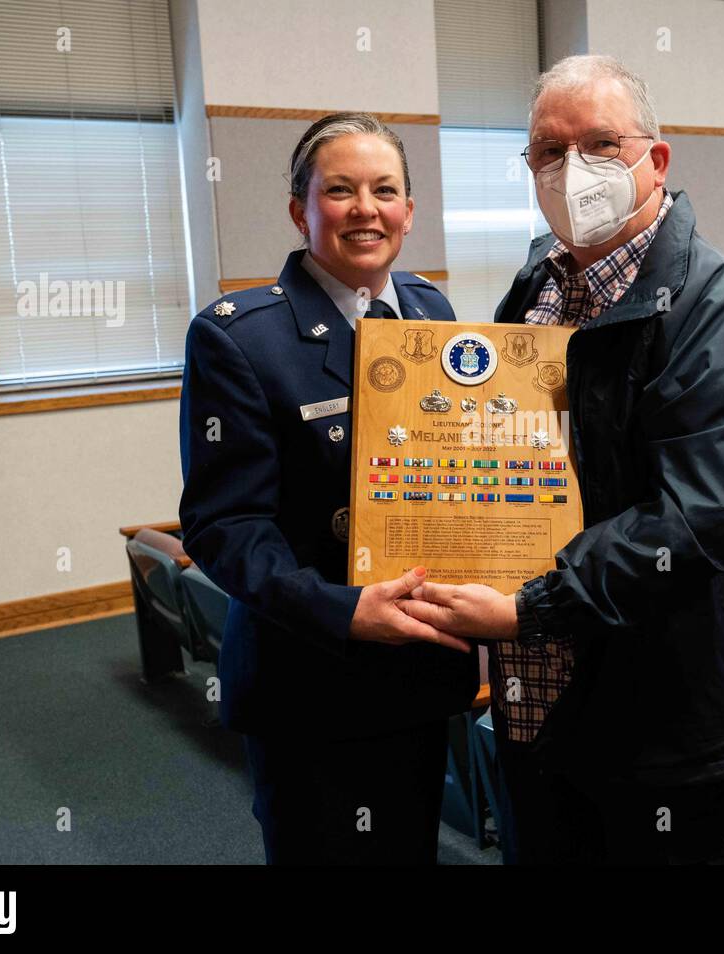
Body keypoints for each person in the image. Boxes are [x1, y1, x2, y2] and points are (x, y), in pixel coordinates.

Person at [400, 54, 724, 865]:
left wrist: (532, 604)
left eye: (598, 145)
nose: (570, 171)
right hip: (546, 695)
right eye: (548, 153)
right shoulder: (537, 283)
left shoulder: (711, 302)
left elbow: (712, 511)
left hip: (668, 703)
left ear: (655, 160)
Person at [178, 112, 478, 865]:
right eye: (339, 190)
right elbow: (225, 525)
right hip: (310, 677)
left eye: (385, 190)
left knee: (409, 848)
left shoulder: (431, 311)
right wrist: (344, 612)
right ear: (299, 210)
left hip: (420, 664)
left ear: (410, 210)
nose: (365, 209)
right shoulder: (238, 336)